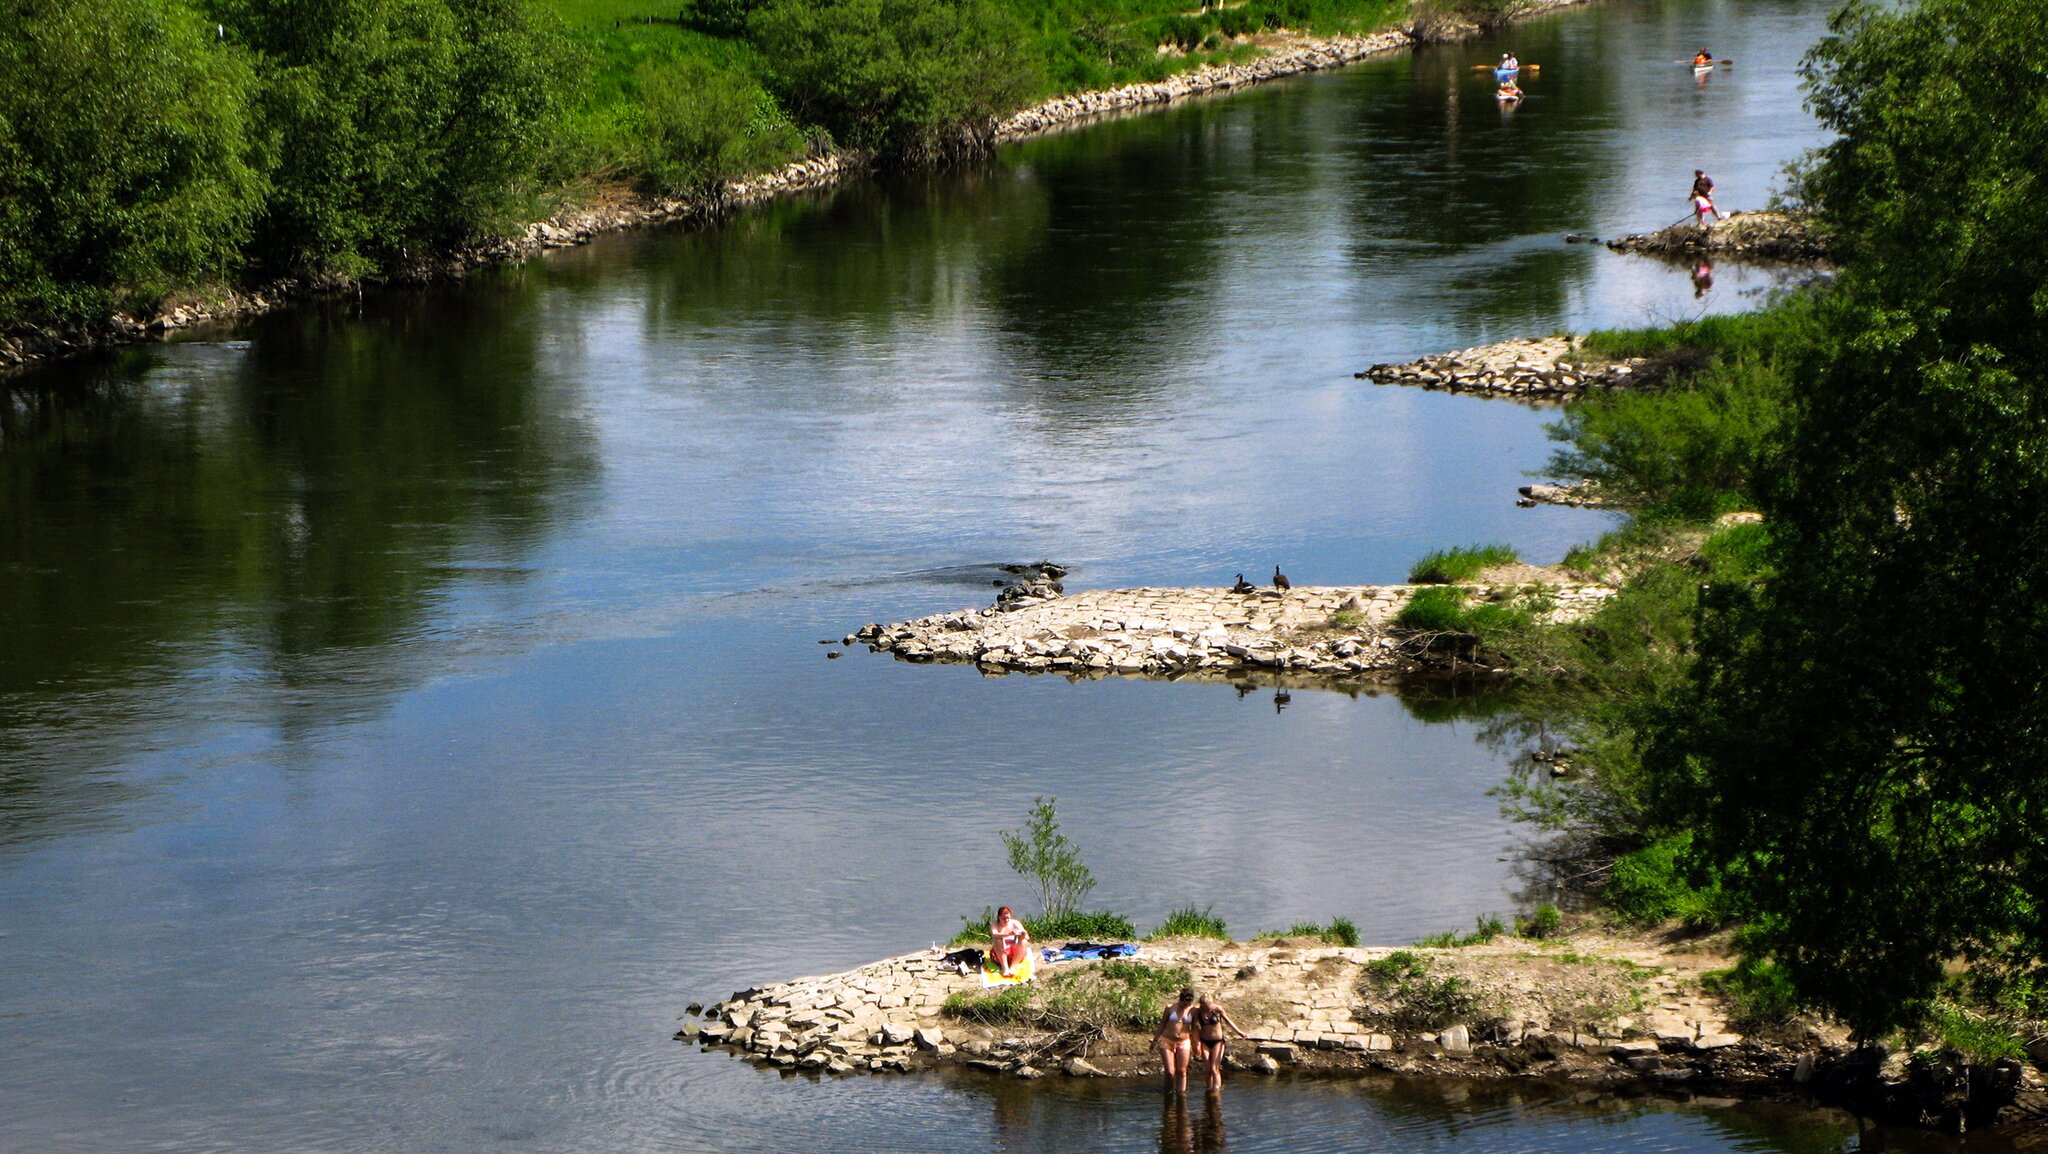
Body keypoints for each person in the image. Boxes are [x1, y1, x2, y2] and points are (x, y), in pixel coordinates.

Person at [1193, 993, 1251, 1090]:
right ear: (1201, 1004)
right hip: (1204, 1041)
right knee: (1208, 1069)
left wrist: (1239, 1032)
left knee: (1214, 1068)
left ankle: (1216, 1090)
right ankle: (1209, 1088)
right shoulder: (1198, 1012)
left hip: (1218, 1041)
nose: (1208, 1008)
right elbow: (1194, 1027)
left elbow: (1228, 1021)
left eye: (1210, 1006)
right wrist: (1197, 1042)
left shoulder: (1217, 1010)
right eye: (1206, 1006)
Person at [1154, 988, 1198, 1093]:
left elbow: (1195, 1028)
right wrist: (1155, 1040)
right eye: (1184, 1002)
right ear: (1180, 999)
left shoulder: (1194, 1011)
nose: (1185, 1005)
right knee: (1170, 1072)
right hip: (1167, 1040)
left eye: (1188, 1003)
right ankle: (1167, 1092)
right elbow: (1162, 1024)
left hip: (1184, 1041)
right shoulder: (1170, 1008)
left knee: (1182, 1071)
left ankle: (1181, 1094)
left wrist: (1197, 1044)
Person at [990, 906, 1030, 977]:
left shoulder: (1015, 923)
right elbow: (995, 934)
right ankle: (1005, 968)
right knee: (998, 940)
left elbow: (1027, 937)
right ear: (999, 917)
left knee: (1024, 941)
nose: (1006, 920)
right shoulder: (995, 924)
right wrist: (1008, 934)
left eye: (1008, 918)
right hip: (1000, 953)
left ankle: (1012, 967)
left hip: (1015, 953)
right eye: (1003, 918)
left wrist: (1023, 934)